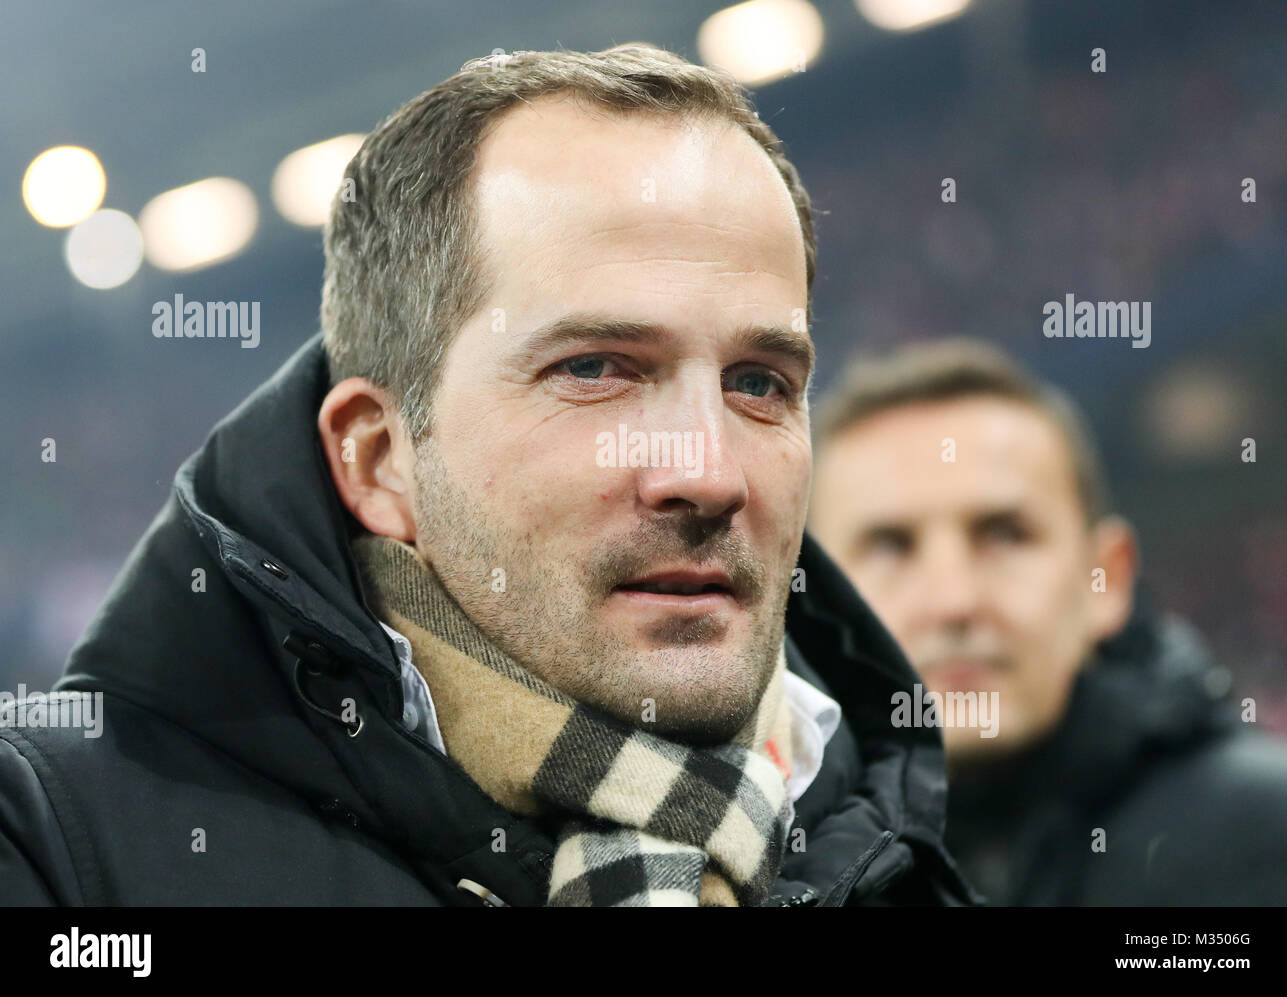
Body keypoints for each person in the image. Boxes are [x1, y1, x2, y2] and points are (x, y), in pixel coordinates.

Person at [0, 45, 975, 907]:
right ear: (380, 460)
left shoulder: (899, 862)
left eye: (759, 383)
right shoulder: (58, 847)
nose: (708, 473)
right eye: (595, 369)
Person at [809, 339, 1287, 905]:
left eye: (1004, 534)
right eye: (891, 547)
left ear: (1107, 579)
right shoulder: (755, 872)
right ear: (814, 599)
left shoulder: (1275, 847)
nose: (954, 601)